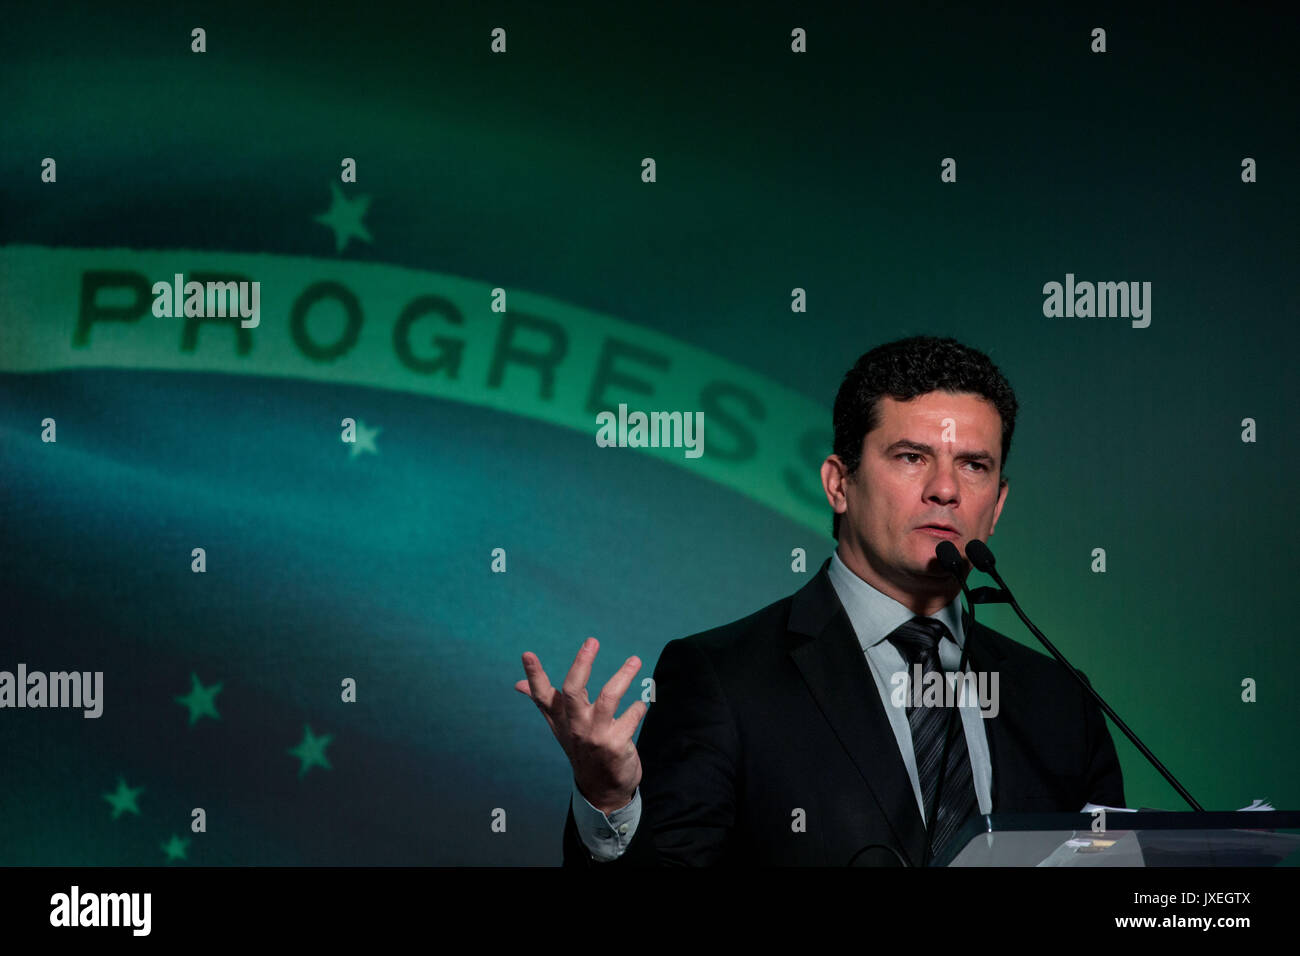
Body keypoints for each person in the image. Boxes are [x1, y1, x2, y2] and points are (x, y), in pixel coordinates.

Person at [516, 335, 1125, 866]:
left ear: (996, 505)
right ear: (840, 483)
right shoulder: (723, 680)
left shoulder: (1061, 704)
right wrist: (610, 802)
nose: (945, 489)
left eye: (973, 465)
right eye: (912, 457)